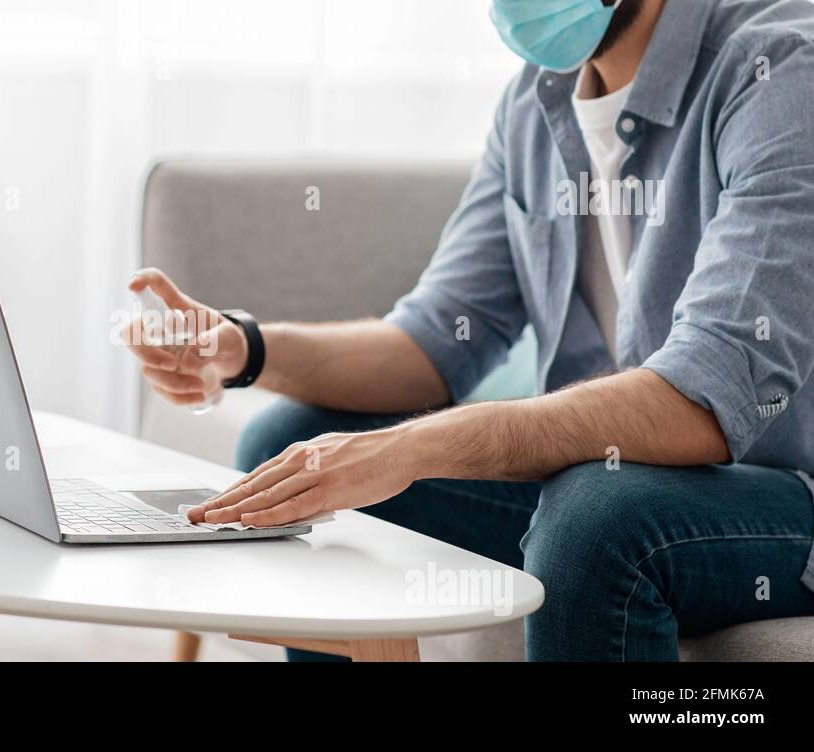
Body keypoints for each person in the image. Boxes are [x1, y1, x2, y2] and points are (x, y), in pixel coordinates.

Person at [121, 0, 814, 661]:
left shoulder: (779, 74)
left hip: (784, 490)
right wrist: (248, 350)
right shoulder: (535, 103)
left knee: (595, 518)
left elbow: (703, 399)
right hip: (627, 478)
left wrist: (416, 446)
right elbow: (434, 339)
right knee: (287, 444)